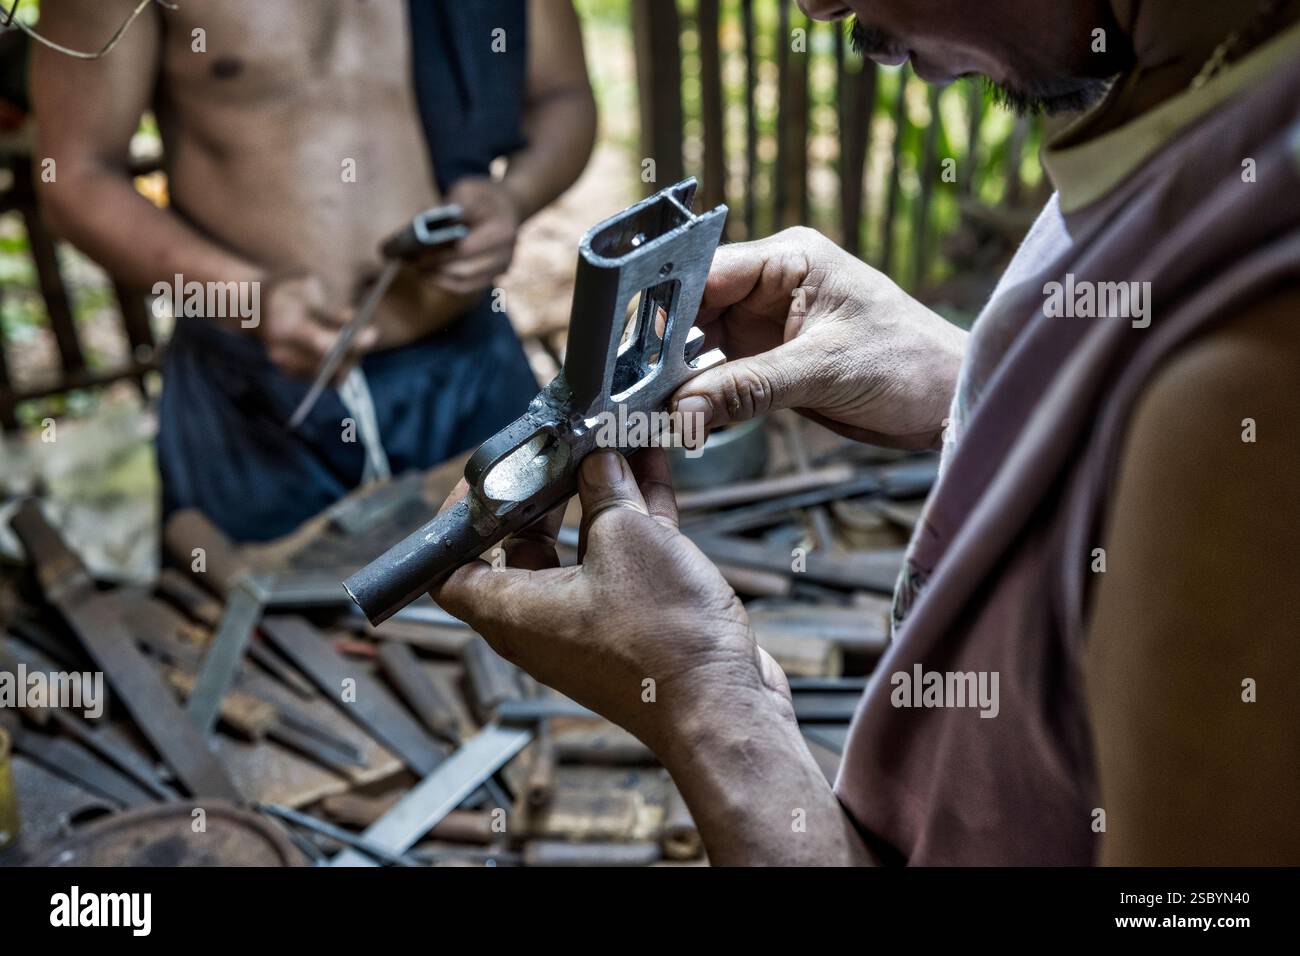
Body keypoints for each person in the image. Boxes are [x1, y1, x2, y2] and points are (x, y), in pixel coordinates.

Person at [428, 0, 1300, 865]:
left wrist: (708, 704)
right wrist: (972, 391)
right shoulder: (1207, 99)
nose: (817, 6)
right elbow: (1128, 456)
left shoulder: (1255, 368)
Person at [31, 0, 596, 541]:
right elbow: (74, 174)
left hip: (469, 364)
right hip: (255, 394)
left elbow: (563, 96)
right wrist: (246, 294)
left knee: (526, 591)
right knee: (261, 623)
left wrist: (512, 198)